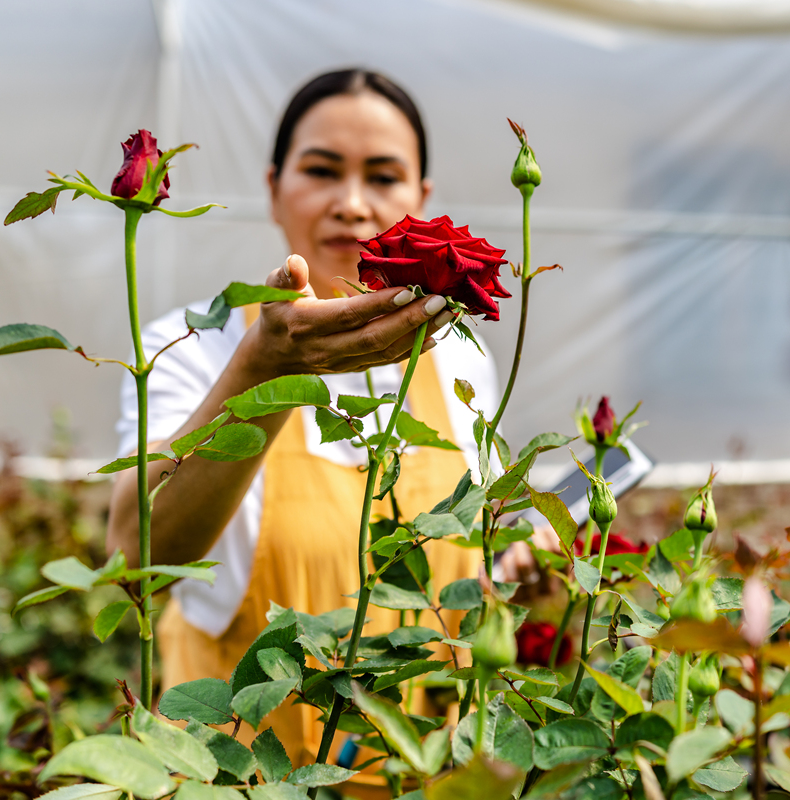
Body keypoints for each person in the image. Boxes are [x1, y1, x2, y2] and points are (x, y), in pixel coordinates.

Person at [107, 69, 531, 771]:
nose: (353, 204)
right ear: (275, 188)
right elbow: (133, 561)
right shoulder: (191, 345)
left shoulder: (462, 359)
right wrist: (263, 368)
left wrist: (512, 572)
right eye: (322, 170)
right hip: (237, 774)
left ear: (422, 200)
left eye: (385, 176)